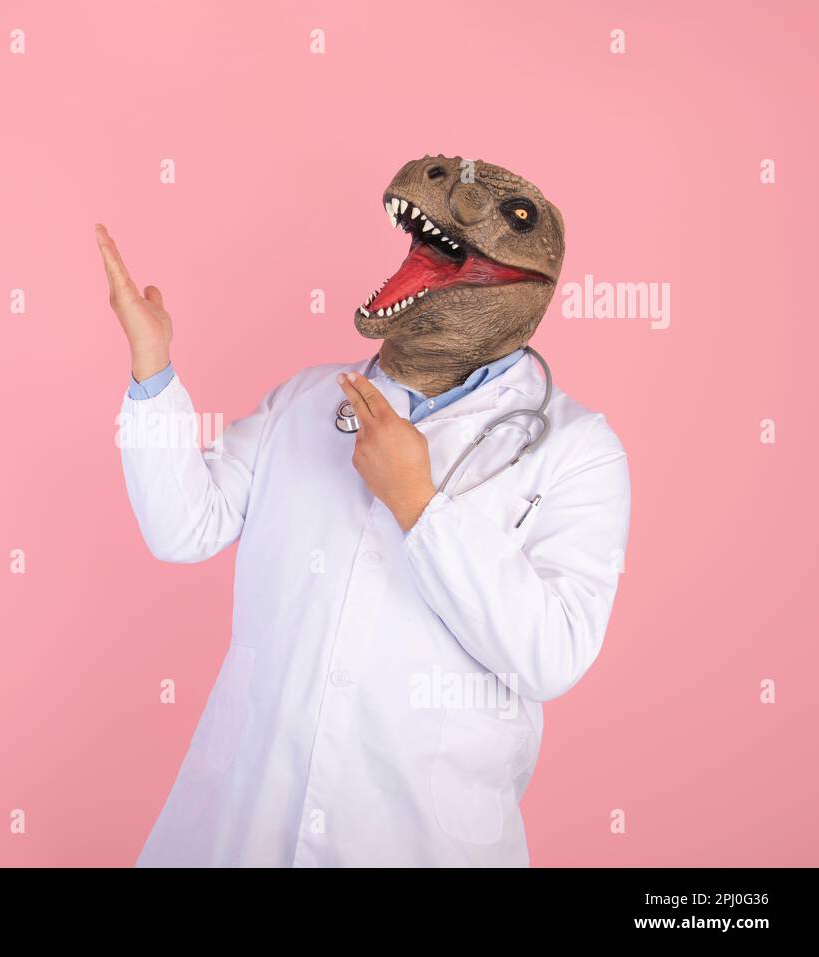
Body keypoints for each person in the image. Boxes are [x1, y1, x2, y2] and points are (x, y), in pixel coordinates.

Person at [97, 155, 631, 867]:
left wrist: (421, 504)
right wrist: (151, 364)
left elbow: (552, 653)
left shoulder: (579, 448)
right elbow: (184, 527)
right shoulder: (307, 398)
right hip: (246, 816)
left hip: (419, 837)